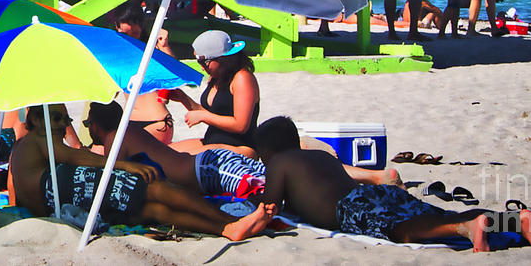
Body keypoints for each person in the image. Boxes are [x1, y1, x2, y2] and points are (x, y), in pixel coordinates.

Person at [256, 116, 531, 251]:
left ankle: (465, 228)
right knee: (437, 214)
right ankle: (515, 221)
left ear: (269, 151)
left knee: (402, 230)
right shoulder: (318, 156)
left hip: (351, 208)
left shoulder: (279, 162)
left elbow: (269, 207)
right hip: (374, 193)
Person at [7, 103, 275, 239]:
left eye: (66, 120)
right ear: (35, 119)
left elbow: (14, 193)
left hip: (56, 205)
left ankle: (226, 229)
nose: (62, 126)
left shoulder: (20, 149)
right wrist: (124, 166)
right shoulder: (39, 140)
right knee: (154, 187)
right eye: (56, 118)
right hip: (65, 189)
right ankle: (228, 222)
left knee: (153, 211)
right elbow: (73, 155)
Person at [84, 101, 401, 199]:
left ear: (97, 125)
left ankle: (370, 183)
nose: (87, 128)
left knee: (280, 181)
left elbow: (111, 177)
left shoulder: (115, 140)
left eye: (87, 123)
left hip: (210, 171)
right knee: (277, 174)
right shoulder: (128, 131)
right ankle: (374, 177)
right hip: (210, 164)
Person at [169, 30, 260, 157]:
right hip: (212, 141)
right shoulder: (217, 76)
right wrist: (183, 98)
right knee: (162, 152)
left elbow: (241, 125)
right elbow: (211, 115)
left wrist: (203, 116)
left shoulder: (242, 78)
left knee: (177, 159)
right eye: (198, 62)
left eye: (203, 62)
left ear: (222, 59)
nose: (202, 67)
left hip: (240, 146)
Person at [109, 0, 176, 144]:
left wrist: (165, 46)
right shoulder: (117, 53)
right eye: (125, 34)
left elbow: (173, 74)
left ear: (142, 26)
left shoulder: (151, 48)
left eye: (135, 33)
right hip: (130, 121)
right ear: (116, 26)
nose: (131, 37)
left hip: (156, 121)